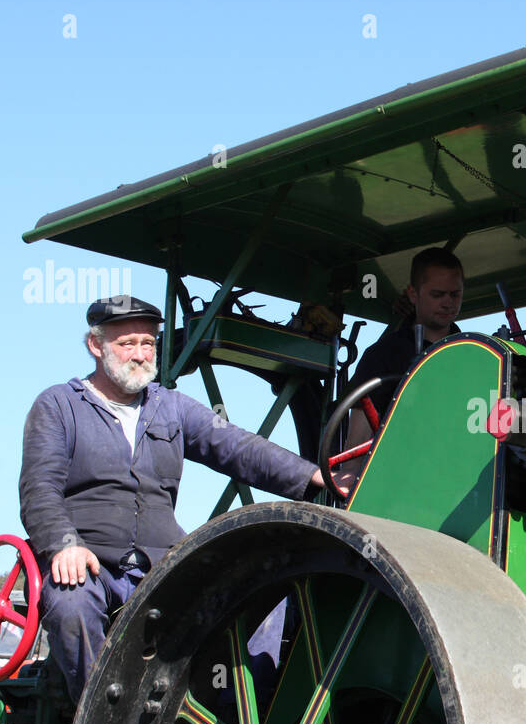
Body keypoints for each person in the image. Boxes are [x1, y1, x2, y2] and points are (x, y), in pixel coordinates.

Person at [19, 295, 326, 701]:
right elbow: (39, 488)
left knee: (264, 584)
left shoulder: (171, 407)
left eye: (148, 344)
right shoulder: (58, 405)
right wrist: (64, 545)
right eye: (128, 343)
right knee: (72, 605)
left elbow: (237, 447)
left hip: (161, 566)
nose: (141, 355)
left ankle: (242, 713)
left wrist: (314, 477)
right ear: (96, 345)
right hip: (92, 565)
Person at [337, 248, 465, 486]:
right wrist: (350, 479)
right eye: (437, 294)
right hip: (398, 482)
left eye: (455, 294)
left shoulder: (472, 355)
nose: (448, 303)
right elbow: (359, 436)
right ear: (413, 294)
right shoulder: (382, 356)